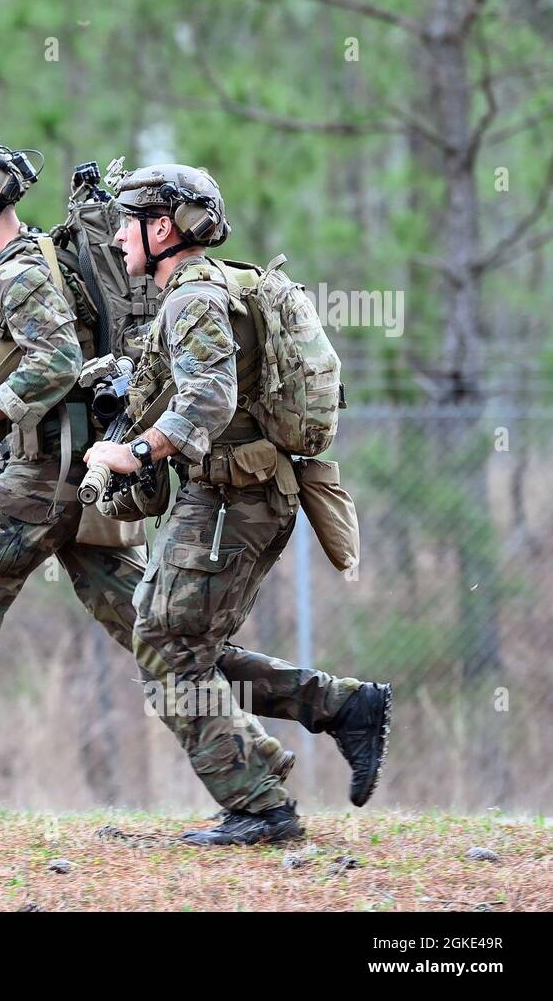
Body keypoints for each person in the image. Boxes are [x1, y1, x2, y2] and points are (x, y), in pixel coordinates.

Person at [0, 133, 294, 817]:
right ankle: (283, 736)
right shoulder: (16, 267)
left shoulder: (17, 271)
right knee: (151, 629)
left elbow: (58, 359)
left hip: (48, 472)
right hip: (78, 472)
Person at [85, 163, 393, 844]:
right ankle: (342, 708)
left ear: (161, 228)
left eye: (127, 222)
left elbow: (210, 398)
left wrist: (133, 455)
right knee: (175, 638)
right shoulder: (198, 291)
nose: (117, 237)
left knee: (167, 644)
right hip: (228, 491)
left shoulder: (193, 298)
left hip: (239, 496)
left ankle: (260, 806)